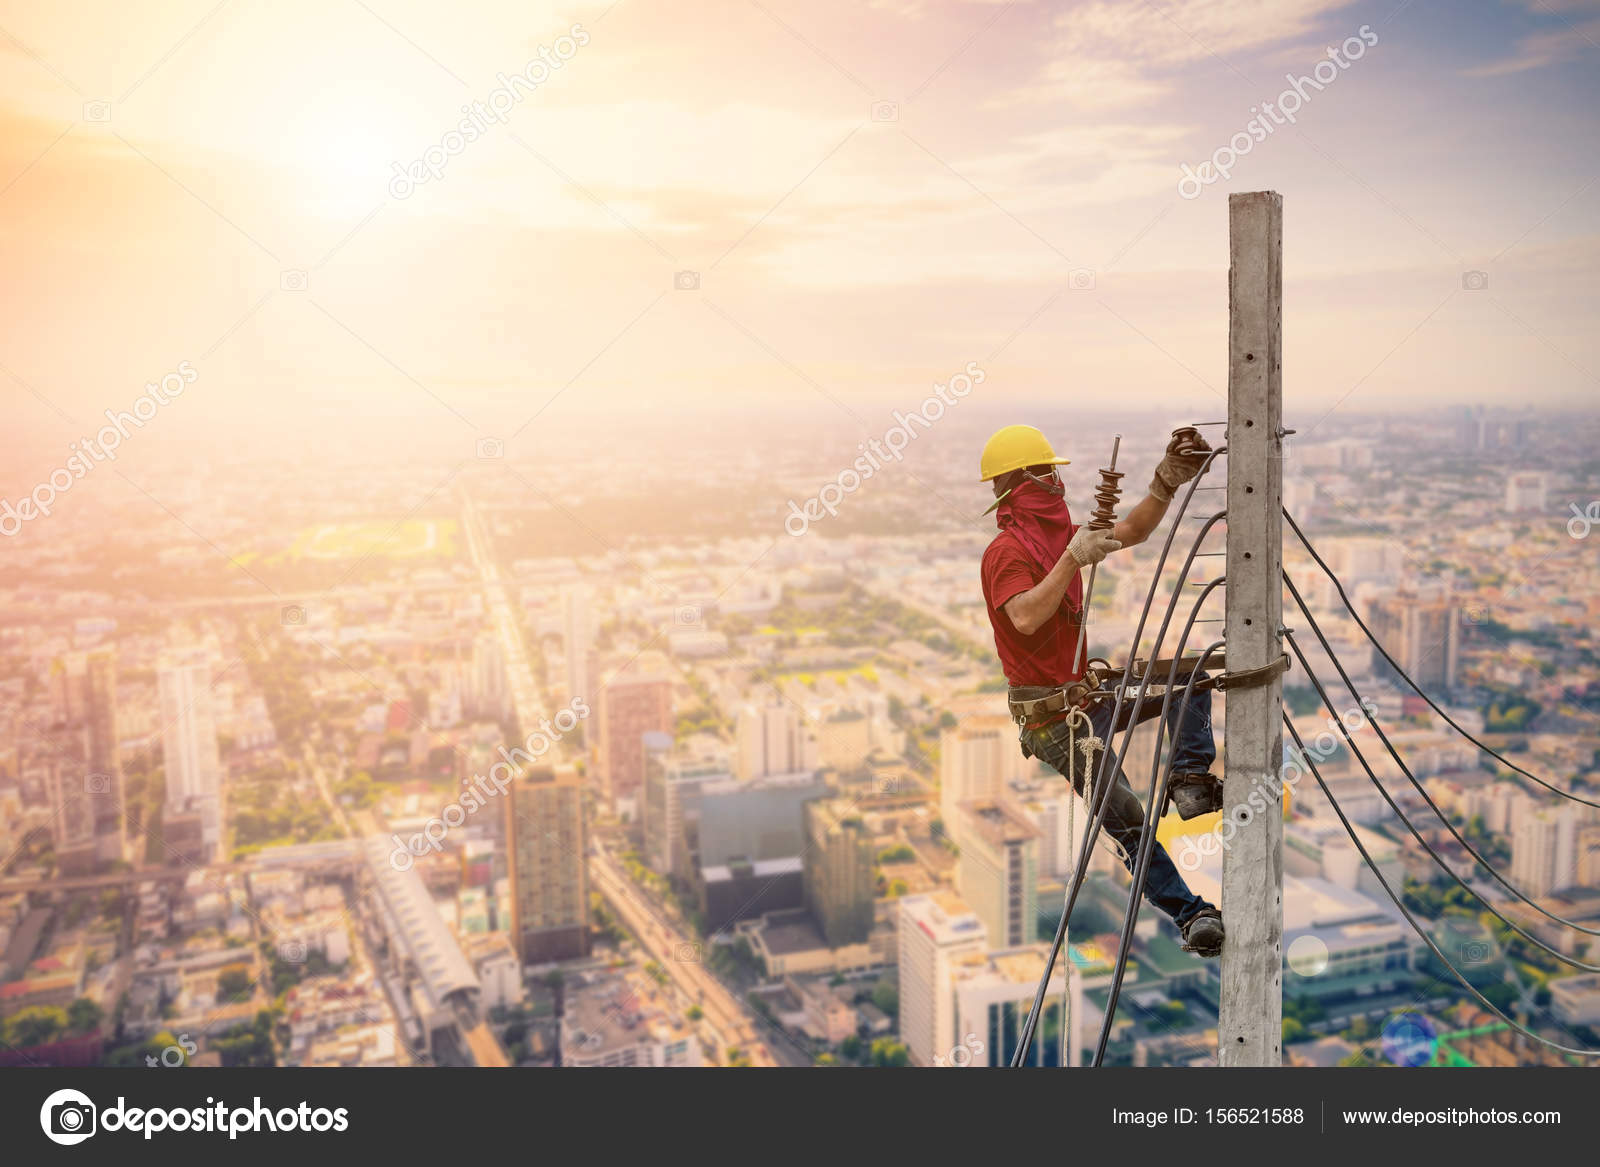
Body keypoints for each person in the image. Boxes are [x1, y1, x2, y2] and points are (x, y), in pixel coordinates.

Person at [976, 424, 1225, 957]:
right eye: (1045, 473)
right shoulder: (1006, 553)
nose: (1055, 483)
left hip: (1088, 700)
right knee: (1127, 819)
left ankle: (1188, 780)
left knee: (1192, 679)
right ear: (1018, 483)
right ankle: (1191, 915)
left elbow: (1131, 529)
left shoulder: (1058, 535)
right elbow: (1022, 617)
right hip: (1055, 725)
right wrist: (1073, 558)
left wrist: (1166, 480)